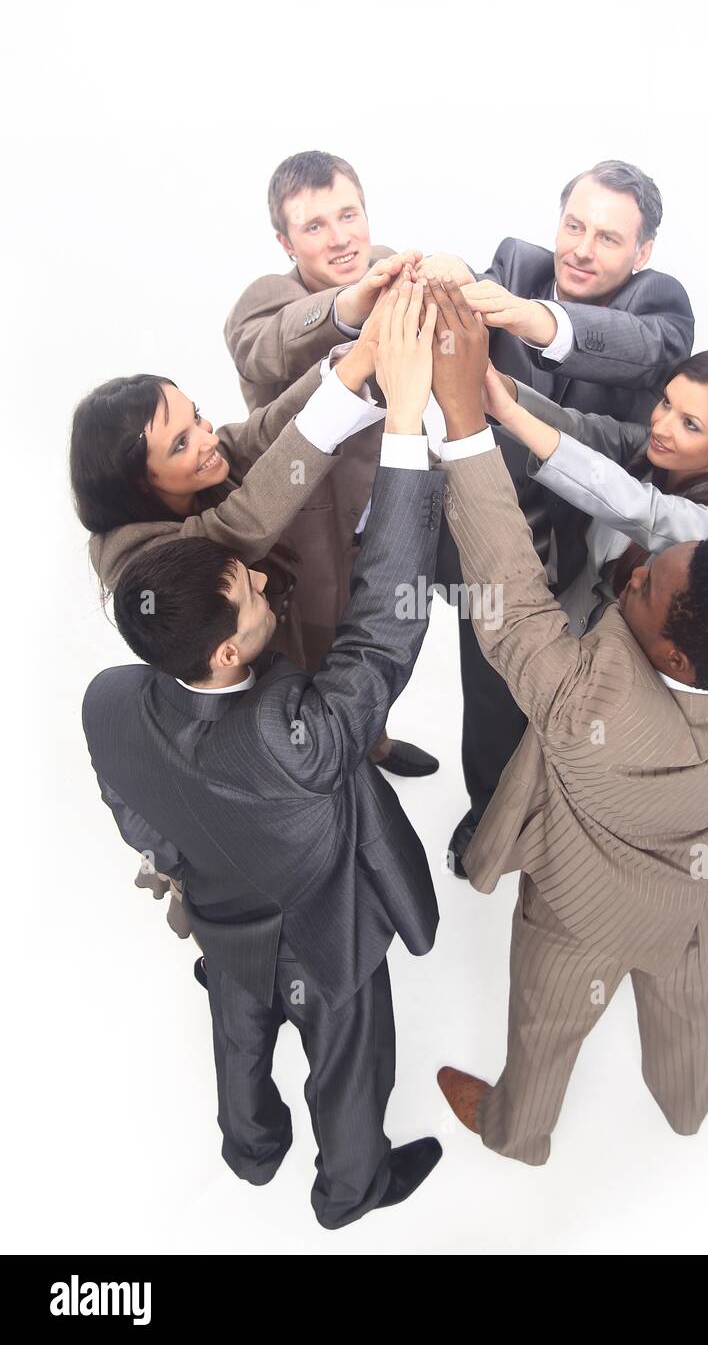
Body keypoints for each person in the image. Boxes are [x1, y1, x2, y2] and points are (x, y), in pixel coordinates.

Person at [421, 279, 708, 1167]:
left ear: (674, 658)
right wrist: (501, 397)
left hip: (581, 919)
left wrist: (462, 426)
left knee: (545, 1030)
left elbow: (514, 593)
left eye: (642, 587)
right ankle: (687, 1107)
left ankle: (517, 1132)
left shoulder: (581, 705)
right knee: (688, 1009)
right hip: (693, 908)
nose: (629, 581)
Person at [82, 280, 447, 1228]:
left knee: (237, 1027)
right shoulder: (300, 742)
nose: (265, 588)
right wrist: (404, 426)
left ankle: (250, 1147)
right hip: (322, 937)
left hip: (222, 917)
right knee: (348, 1057)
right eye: (253, 594)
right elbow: (381, 630)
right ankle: (350, 1187)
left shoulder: (113, 697)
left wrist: (176, 862)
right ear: (228, 649)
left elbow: (134, 805)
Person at [420, 161, 695, 873]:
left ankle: (569, 825)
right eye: (574, 225)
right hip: (483, 543)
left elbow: (644, 351)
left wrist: (526, 317)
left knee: (579, 716)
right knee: (488, 704)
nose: (580, 248)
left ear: (643, 253)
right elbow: (448, 301)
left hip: (590, 560)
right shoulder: (514, 261)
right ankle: (489, 816)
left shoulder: (660, 305)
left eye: (607, 237)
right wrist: (444, 274)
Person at [224, 148, 436, 774]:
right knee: (320, 650)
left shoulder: (389, 263)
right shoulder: (266, 300)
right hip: (309, 521)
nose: (341, 239)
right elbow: (263, 348)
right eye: (315, 226)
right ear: (285, 241)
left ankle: (373, 739)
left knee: (383, 637)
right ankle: (324, 768)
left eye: (349, 216)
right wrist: (349, 305)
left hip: (388, 505)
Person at [482, 345, 708, 637]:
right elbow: (576, 429)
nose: (661, 427)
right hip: (559, 637)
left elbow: (645, 512)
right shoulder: (651, 450)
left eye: (690, 424)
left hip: (618, 675)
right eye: (666, 402)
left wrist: (509, 413)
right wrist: (493, 384)